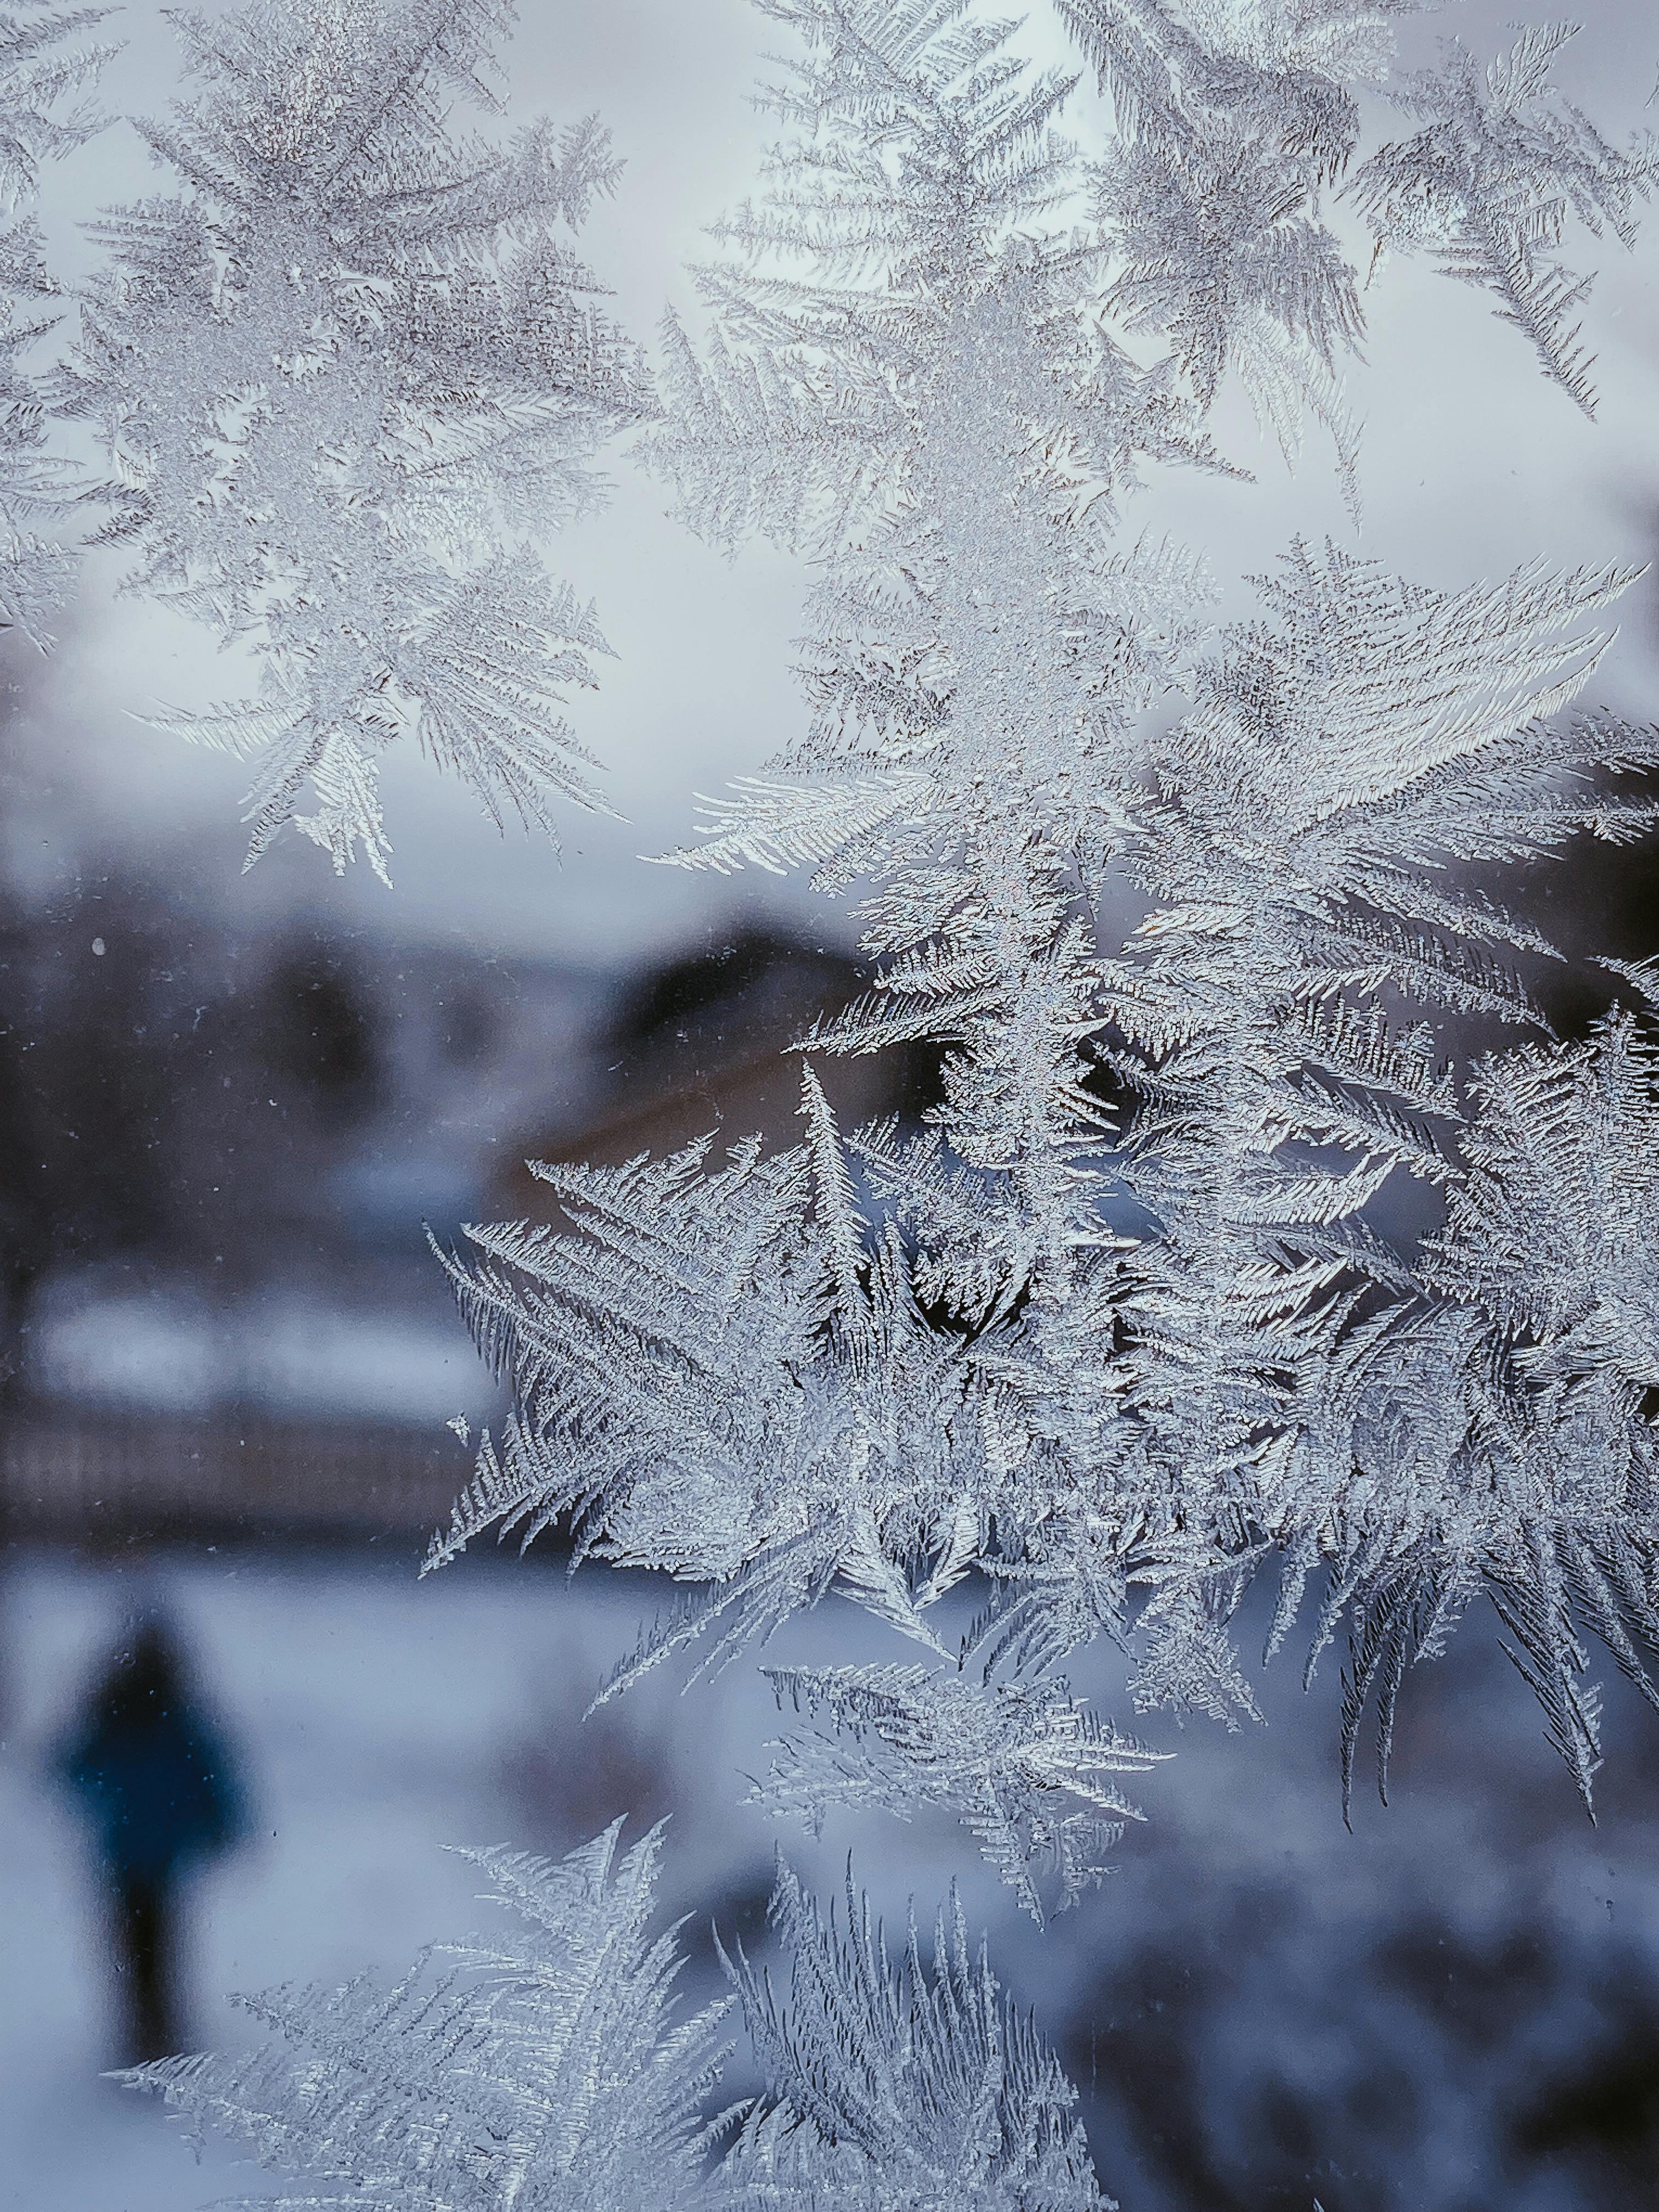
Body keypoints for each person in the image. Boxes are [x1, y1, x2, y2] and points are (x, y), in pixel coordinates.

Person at [54, 1607, 247, 2063]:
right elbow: (211, 1776)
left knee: (135, 1943)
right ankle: (155, 2032)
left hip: (125, 1850)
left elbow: (73, 1768)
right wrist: (223, 1825)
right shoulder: (174, 1714)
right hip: (158, 1852)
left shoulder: (112, 1710)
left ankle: (146, 2032)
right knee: (156, 1943)